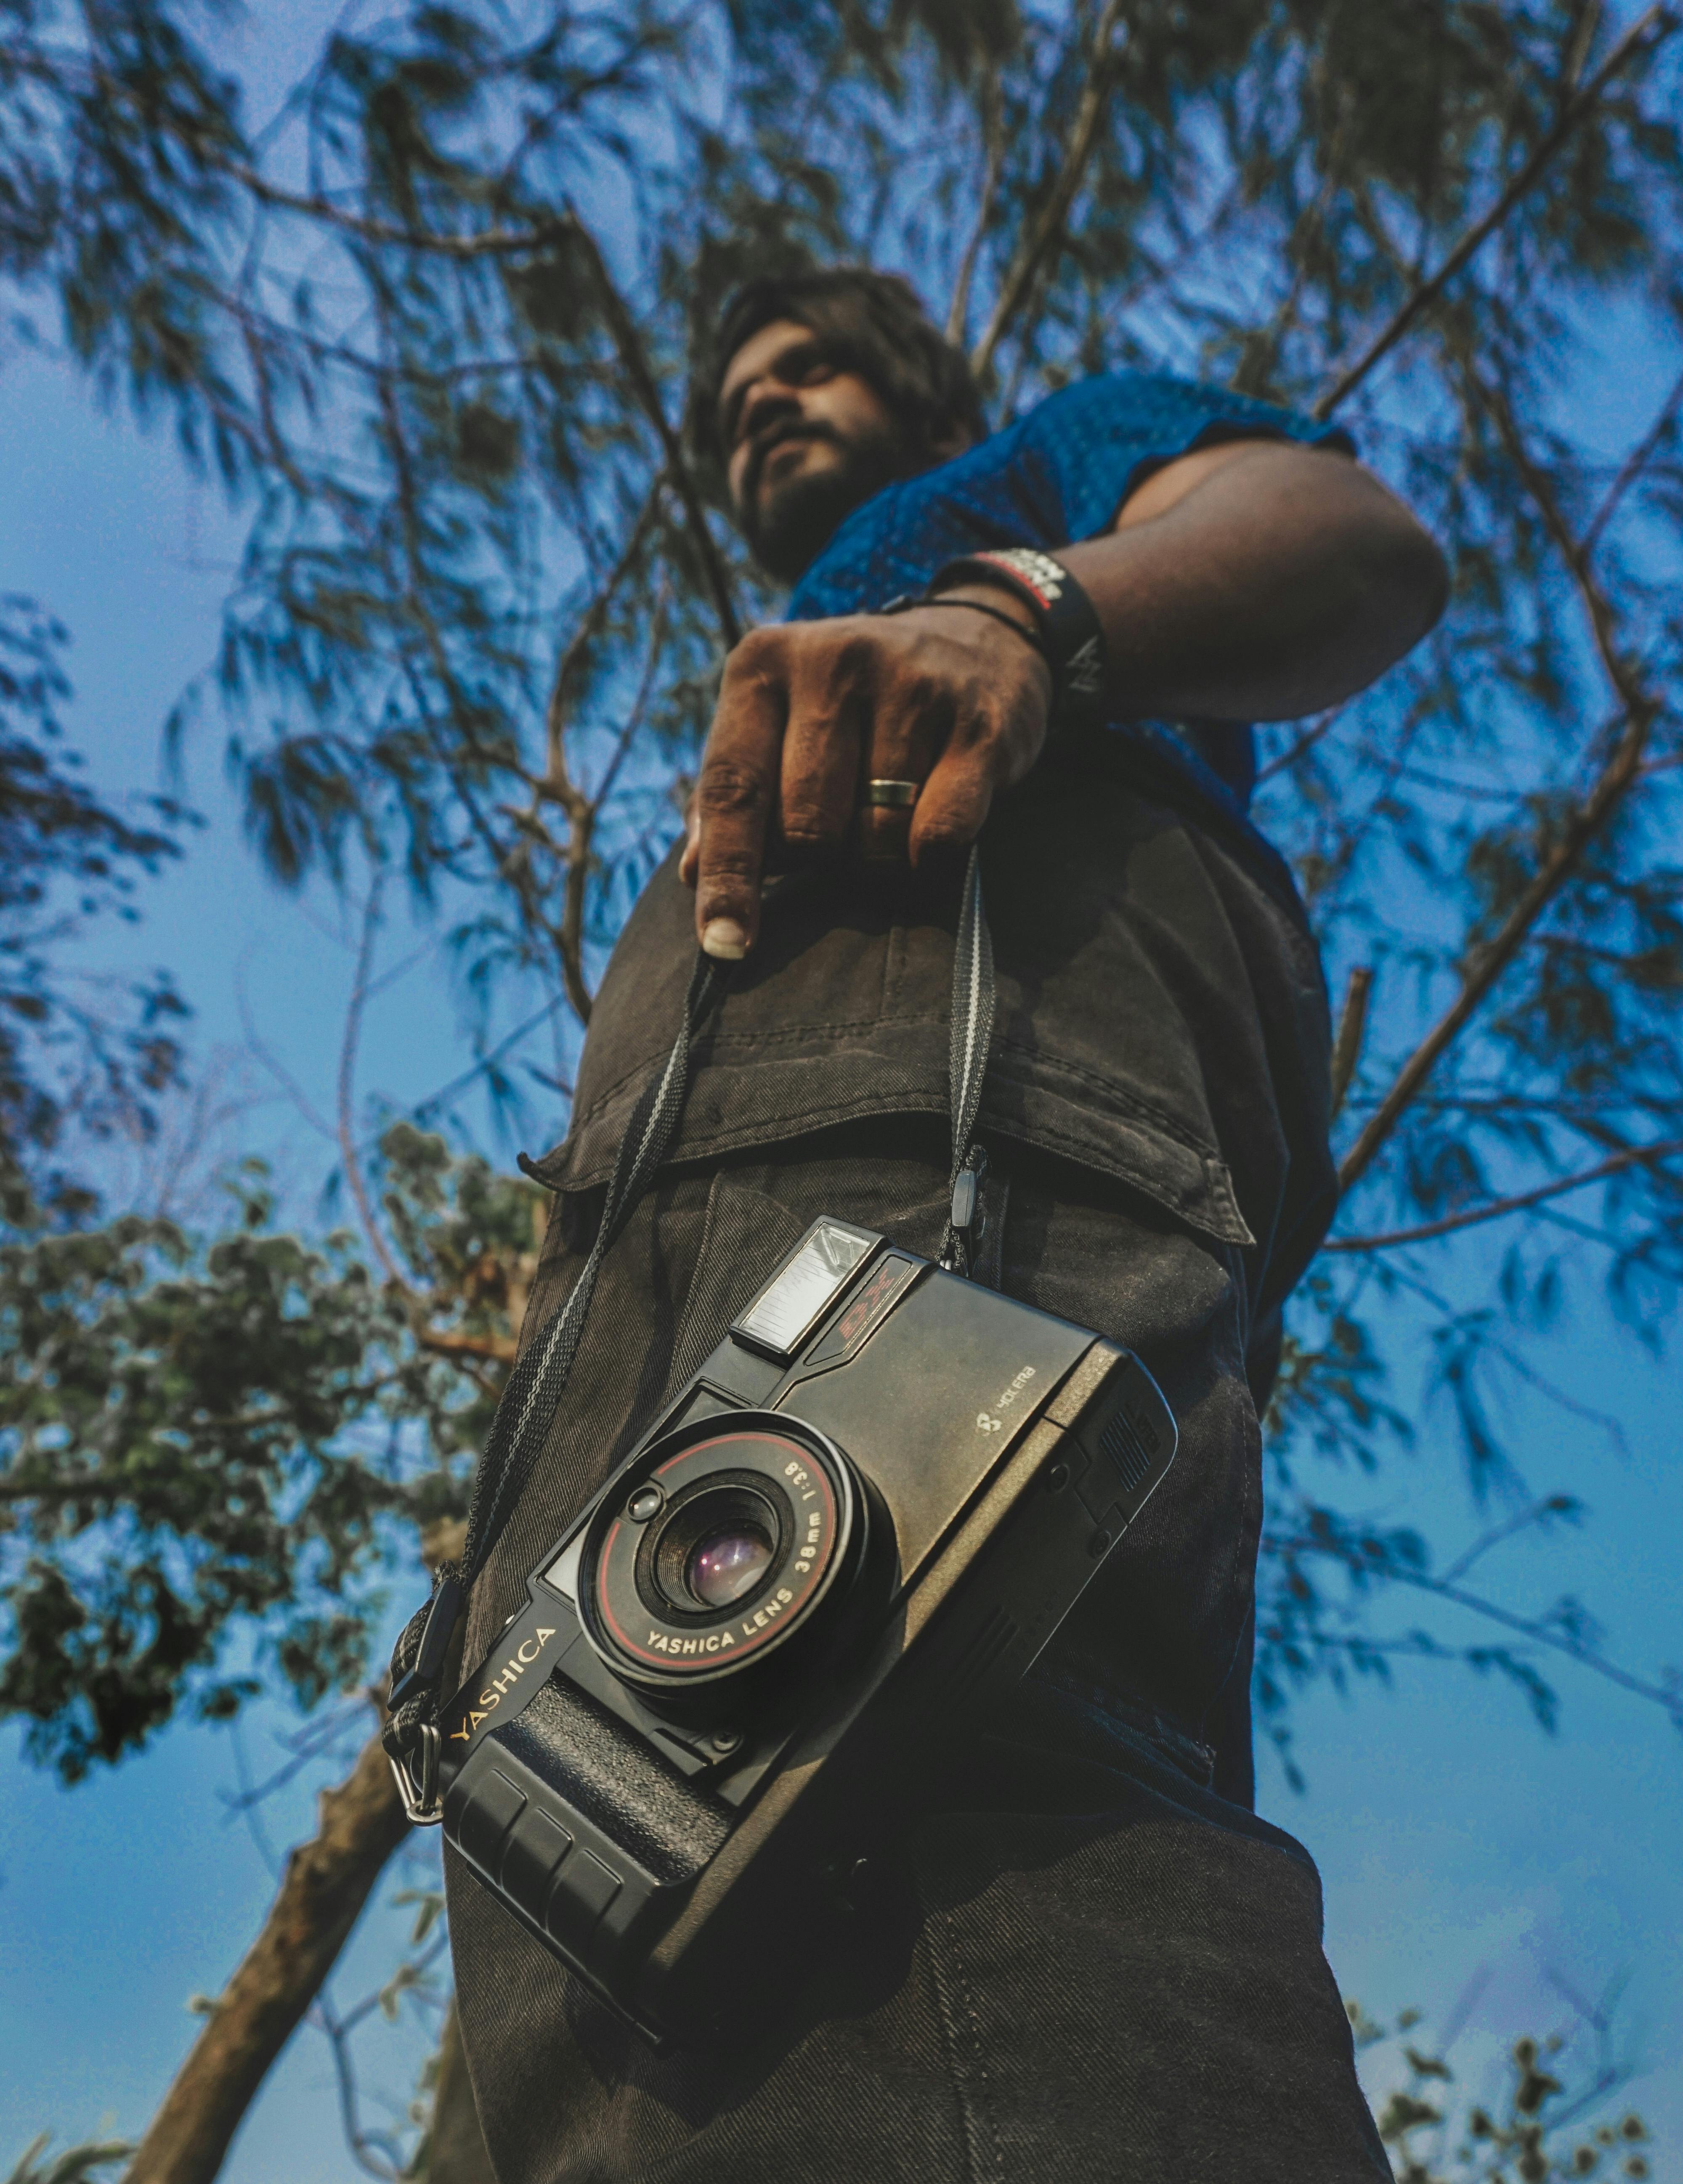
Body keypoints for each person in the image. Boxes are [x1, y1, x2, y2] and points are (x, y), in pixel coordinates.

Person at [444, 266, 1447, 2181]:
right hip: (690, 1135)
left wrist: (1019, 608)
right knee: (574, 1815)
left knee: (890, 1728)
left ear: (920, 390)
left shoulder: (1046, 461)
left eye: (809, 365)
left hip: (983, 945)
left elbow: (1354, 545)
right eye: (737, 389)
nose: (763, 401)